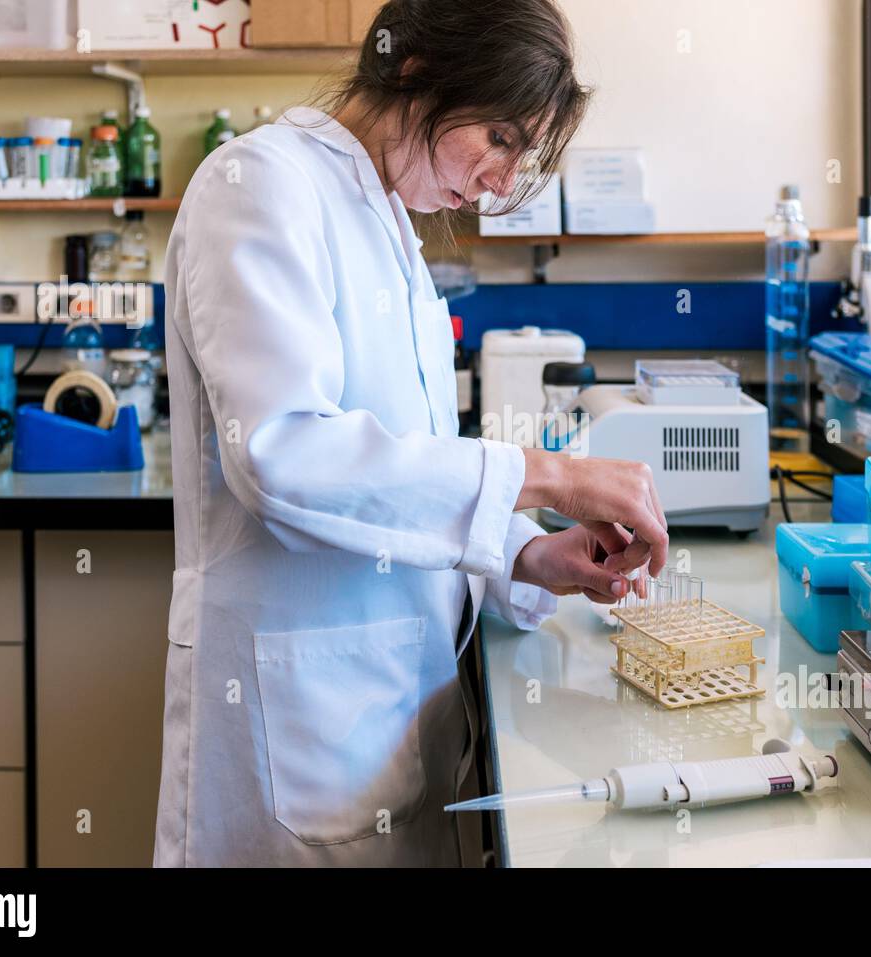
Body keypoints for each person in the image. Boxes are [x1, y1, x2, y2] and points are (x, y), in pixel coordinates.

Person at [154, 0, 667, 867]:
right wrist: (543, 473)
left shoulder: (391, 222)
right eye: (501, 137)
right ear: (418, 73)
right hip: (301, 732)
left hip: (387, 721)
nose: (503, 181)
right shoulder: (259, 184)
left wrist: (527, 554)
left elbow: (409, 462)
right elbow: (283, 455)